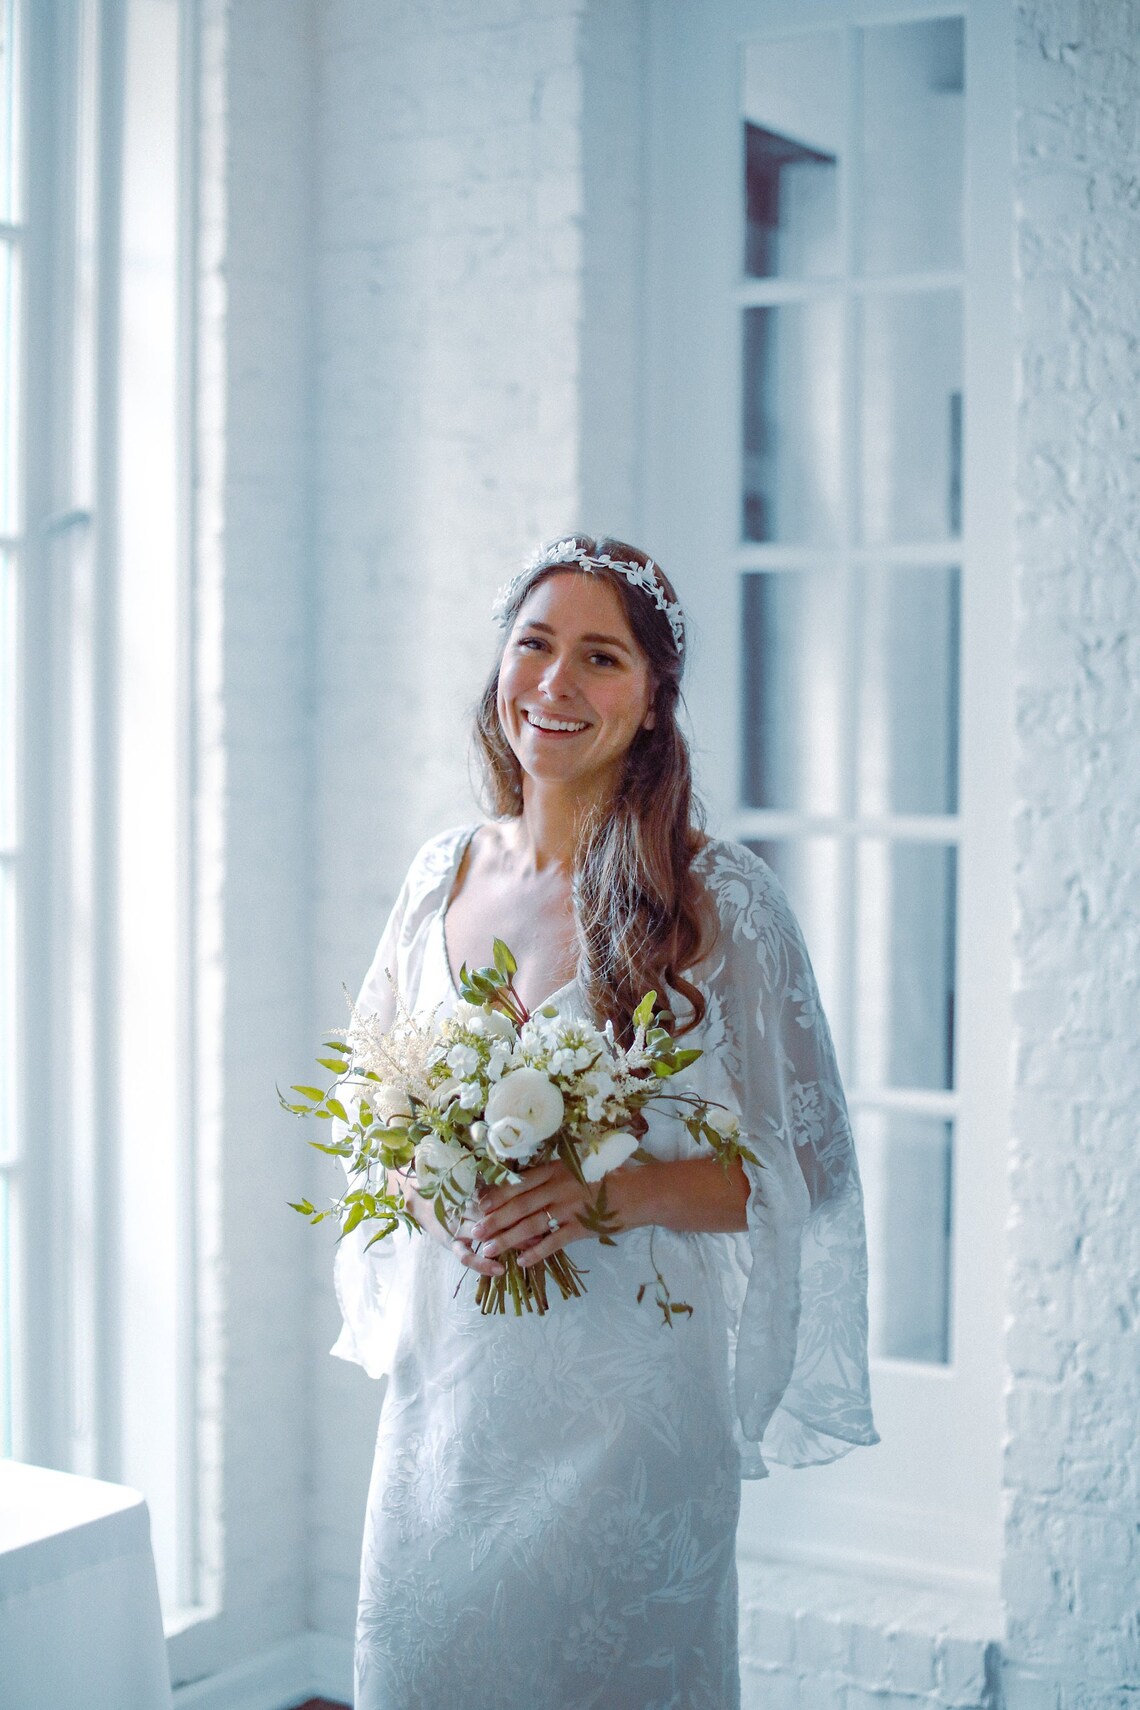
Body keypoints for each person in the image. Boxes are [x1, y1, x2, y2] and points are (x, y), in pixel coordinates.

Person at [332, 536, 878, 1710]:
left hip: (629, 1432)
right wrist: (434, 1175)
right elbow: (370, 1101)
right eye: (535, 644)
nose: (555, 683)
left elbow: (812, 1169)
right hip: (449, 1415)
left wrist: (608, 1196)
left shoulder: (719, 900)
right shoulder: (438, 875)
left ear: (652, 699)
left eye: (600, 657)